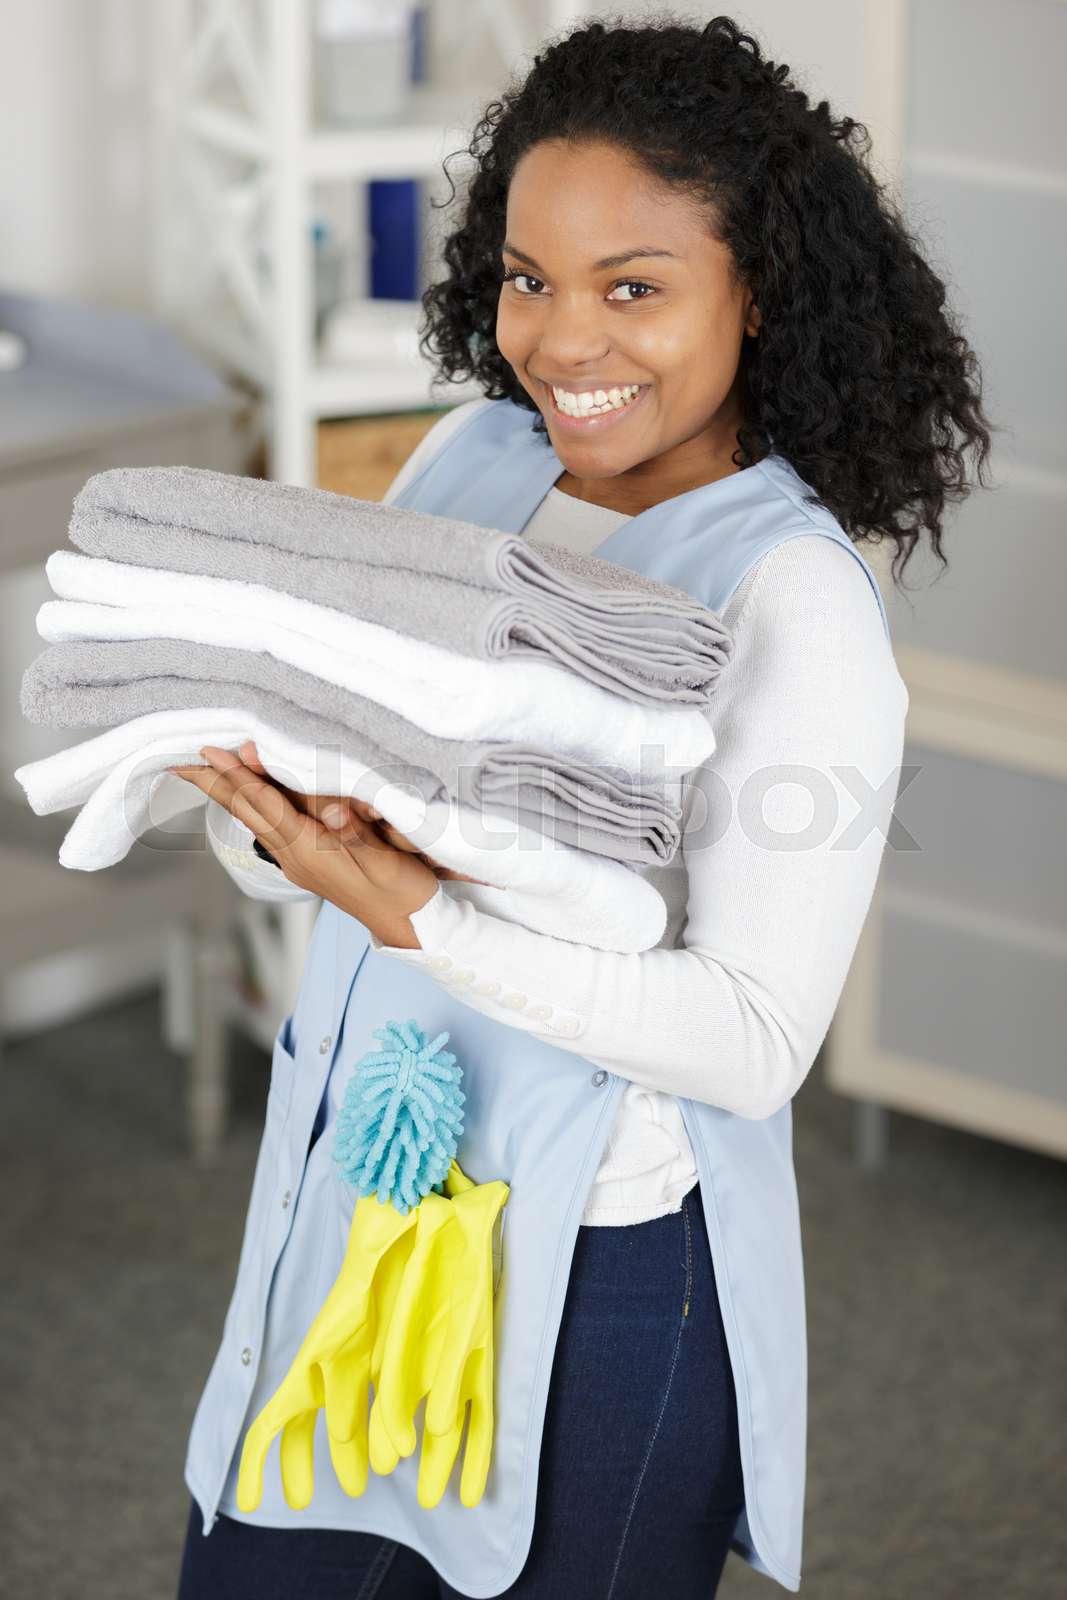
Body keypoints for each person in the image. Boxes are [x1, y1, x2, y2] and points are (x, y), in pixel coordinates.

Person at [169, 13, 993, 1597]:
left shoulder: (791, 601)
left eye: (636, 288)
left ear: (761, 291)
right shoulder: (468, 466)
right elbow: (345, 814)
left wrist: (421, 913)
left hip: (602, 1286)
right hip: (357, 1204)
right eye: (530, 279)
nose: (563, 343)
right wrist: (262, 810)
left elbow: (750, 1039)